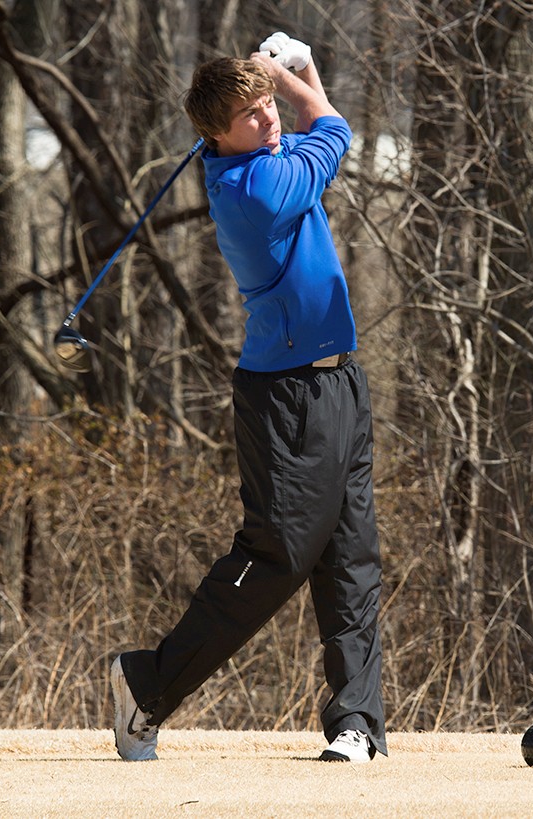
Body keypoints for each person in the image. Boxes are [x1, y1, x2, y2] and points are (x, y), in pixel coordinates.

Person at [111, 32, 387, 764]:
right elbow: (333, 129)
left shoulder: (266, 158)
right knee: (281, 553)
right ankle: (149, 683)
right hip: (287, 394)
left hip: (339, 381)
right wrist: (292, 76)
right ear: (217, 135)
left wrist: (292, 74)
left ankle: (357, 721)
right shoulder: (255, 190)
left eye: (267, 107)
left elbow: (313, 122)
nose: (268, 121)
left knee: (351, 554)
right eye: (251, 115)